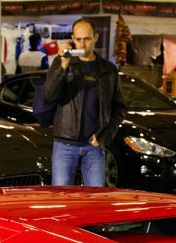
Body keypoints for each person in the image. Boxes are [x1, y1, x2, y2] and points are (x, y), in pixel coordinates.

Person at [42, 18, 125, 186]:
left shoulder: (108, 70)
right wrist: (63, 67)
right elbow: (49, 96)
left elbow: (119, 108)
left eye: (87, 39)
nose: (82, 44)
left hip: (93, 147)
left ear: (95, 37)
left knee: (95, 201)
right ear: (73, 38)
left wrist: (105, 135)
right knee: (62, 200)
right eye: (78, 39)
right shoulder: (63, 63)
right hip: (64, 144)